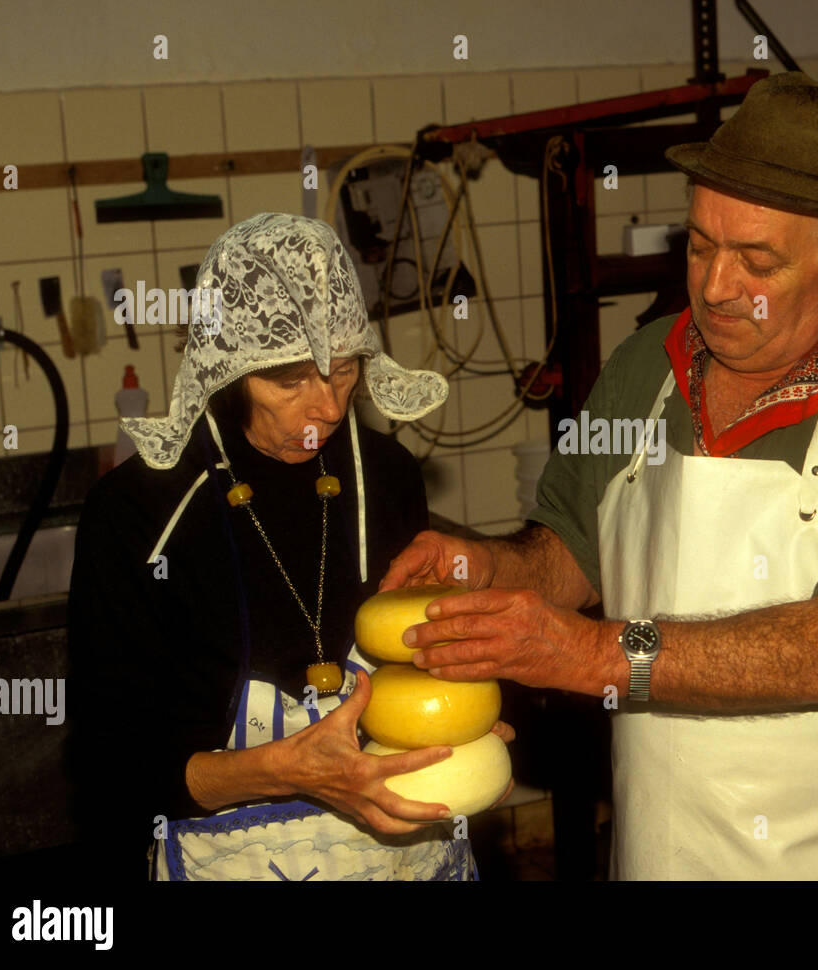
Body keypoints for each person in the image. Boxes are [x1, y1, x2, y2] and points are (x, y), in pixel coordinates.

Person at [380, 73, 818, 880]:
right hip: (661, 850)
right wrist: (484, 574)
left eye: (757, 261)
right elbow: (572, 546)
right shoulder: (648, 365)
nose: (713, 287)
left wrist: (596, 655)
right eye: (701, 244)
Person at [69, 212, 511, 881]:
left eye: (342, 371)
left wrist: (461, 741)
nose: (329, 407)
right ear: (229, 370)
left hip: (405, 860)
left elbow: (415, 670)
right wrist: (282, 771)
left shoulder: (384, 477)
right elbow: (110, 772)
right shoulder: (139, 513)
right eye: (290, 380)